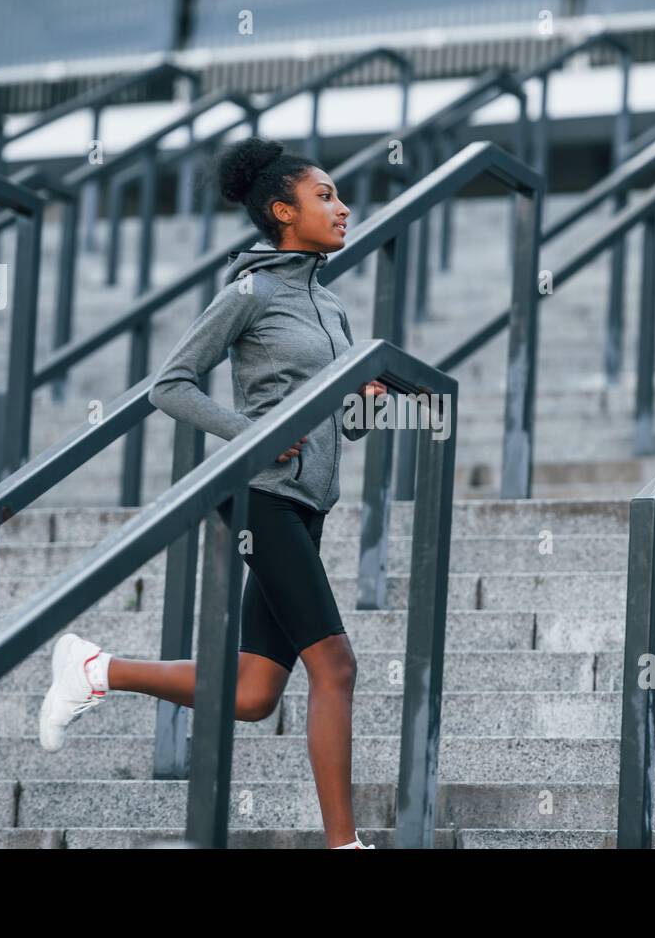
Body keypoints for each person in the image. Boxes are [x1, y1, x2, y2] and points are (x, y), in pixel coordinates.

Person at [38, 136, 388, 849]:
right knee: (337, 665)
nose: (343, 207)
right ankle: (344, 846)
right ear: (282, 211)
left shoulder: (335, 309)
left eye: (339, 196)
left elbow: (347, 431)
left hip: (309, 504)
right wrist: (248, 432)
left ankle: (95, 668)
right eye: (325, 196)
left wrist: (368, 401)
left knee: (255, 695)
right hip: (259, 495)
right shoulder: (249, 293)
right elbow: (169, 385)